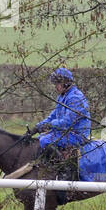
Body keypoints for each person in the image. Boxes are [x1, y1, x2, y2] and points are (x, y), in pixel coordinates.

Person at [30, 67, 91, 202]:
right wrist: (38, 126)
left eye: (57, 84)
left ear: (66, 83)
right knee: (39, 139)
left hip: (77, 134)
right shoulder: (62, 96)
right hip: (64, 132)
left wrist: (49, 125)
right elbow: (53, 116)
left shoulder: (75, 97)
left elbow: (68, 121)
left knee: (45, 141)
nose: (55, 87)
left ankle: (64, 169)